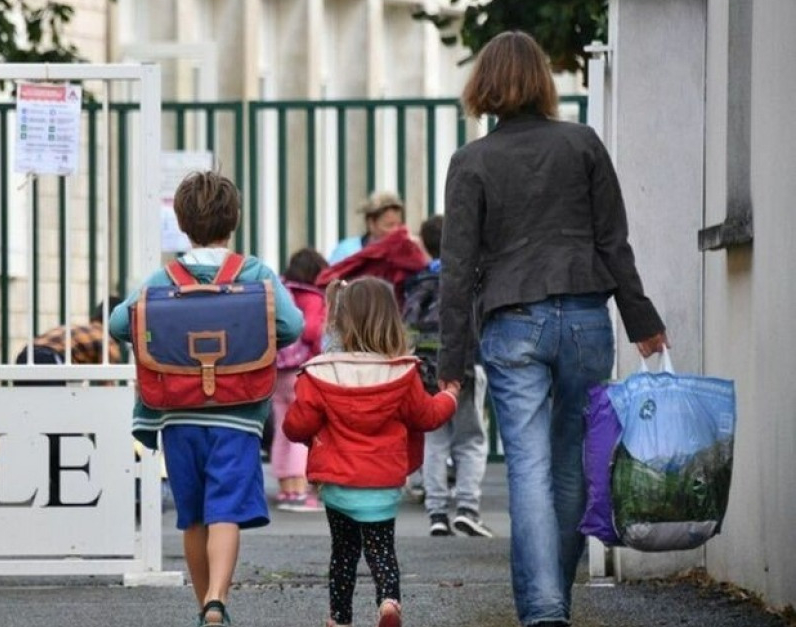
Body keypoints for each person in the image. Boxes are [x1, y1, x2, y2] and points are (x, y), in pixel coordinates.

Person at [437, 32, 669, 627]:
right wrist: (642, 320)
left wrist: (450, 367)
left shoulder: (472, 162)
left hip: (513, 321)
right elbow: (613, 242)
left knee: (529, 468)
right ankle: (552, 603)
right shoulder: (583, 143)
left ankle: (544, 612)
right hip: (587, 318)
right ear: (543, 81)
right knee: (572, 466)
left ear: (483, 86)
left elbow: (457, 270)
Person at [109, 171, 304, 627]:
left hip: (178, 413)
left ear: (181, 223)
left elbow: (120, 323)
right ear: (233, 221)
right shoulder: (255, 273)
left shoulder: (163, 278)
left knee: (192, 516)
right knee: (226, 512)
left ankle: (204, 608)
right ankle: (218, 598)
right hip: (237, 413)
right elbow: (292, 326)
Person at [283, 277, 460, 627]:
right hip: (382, 481)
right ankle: (389, 601)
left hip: (338, 481)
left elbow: (296, 426)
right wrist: (450, 396)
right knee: (382, 550)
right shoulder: (402, 373)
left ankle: (340, 618)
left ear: (340, 320)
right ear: (390, 319)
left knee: (343, 553)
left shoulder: (320, 373)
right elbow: (427, 416)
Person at [409, 216, 492, 538]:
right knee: (471, 439)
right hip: (467, 367)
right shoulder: (472, 278)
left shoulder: (419, 284)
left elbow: (407, 329)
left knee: (434, 441)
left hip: (427, 372)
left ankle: (437, 513)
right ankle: (468, 509)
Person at [271, 248, 329, 513]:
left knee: (282, 427)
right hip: (300, 370)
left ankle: (285, 487)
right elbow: (312, 331)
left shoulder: (281, 292)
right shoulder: (312, 297)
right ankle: (300, 488)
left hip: (276, 369)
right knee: (302, 428)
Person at [12, 296, 125, 385]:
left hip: (26, 357)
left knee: (28, 404)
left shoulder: (81, 329)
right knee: (53, 404)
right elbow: (108, 384)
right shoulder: (105, 339)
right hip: (49, 359)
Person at [327, 192, 406, 264]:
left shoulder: (405, 254)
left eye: (399, 225)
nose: (396, 230)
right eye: (389, 225)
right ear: (371, 224)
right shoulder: (347, 251)